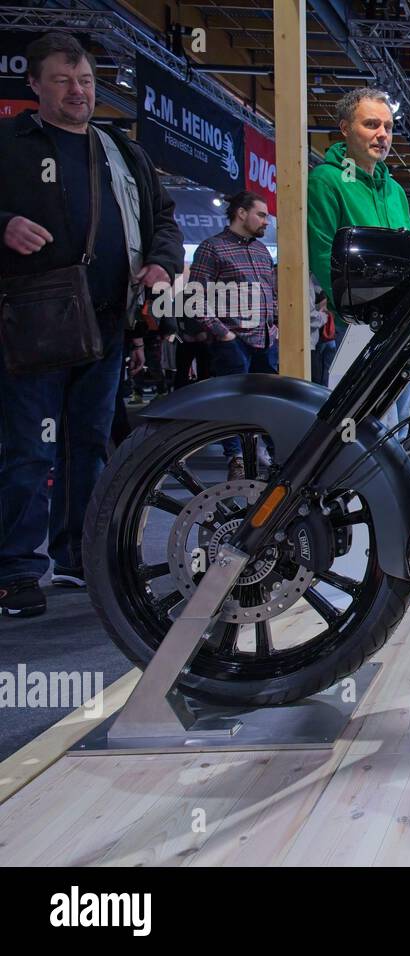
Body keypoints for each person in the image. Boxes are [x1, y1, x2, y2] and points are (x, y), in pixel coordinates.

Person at [0, 32, 182, 616]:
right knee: (29, 448)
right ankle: (16, 569)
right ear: (33, 85)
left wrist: (161, 261)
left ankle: (79, 555)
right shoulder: (11, 142)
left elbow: (165, 219)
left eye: (85, 81)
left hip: (106, 323)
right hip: (32, 321)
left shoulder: (121, 150)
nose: (77, 92)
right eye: (62, 81)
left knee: (89, 446)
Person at [307, 87, 410, 439]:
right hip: (357, 327)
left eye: (388, 126)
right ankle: (348, 496)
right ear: (344, 128)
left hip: (401, 326)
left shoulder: (395, 190)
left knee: (396, 429)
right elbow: (323, 253)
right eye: (371, 124)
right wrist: (356, 311)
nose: (382, 134)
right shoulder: (326, 180)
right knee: (358, 428)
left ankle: (384, 496)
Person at [187, 190, 277, 480]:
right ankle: (236, 459)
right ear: (241, 213)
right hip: (232, 341)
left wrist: (274, 324)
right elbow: (194, 298)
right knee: (233, 404)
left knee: (270, 402)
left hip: (265, 341)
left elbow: (270, 293)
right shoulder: (212, 248)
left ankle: (278, 459)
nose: (266, 221)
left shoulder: (262, 251)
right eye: (261, 215)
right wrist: (222, 333)